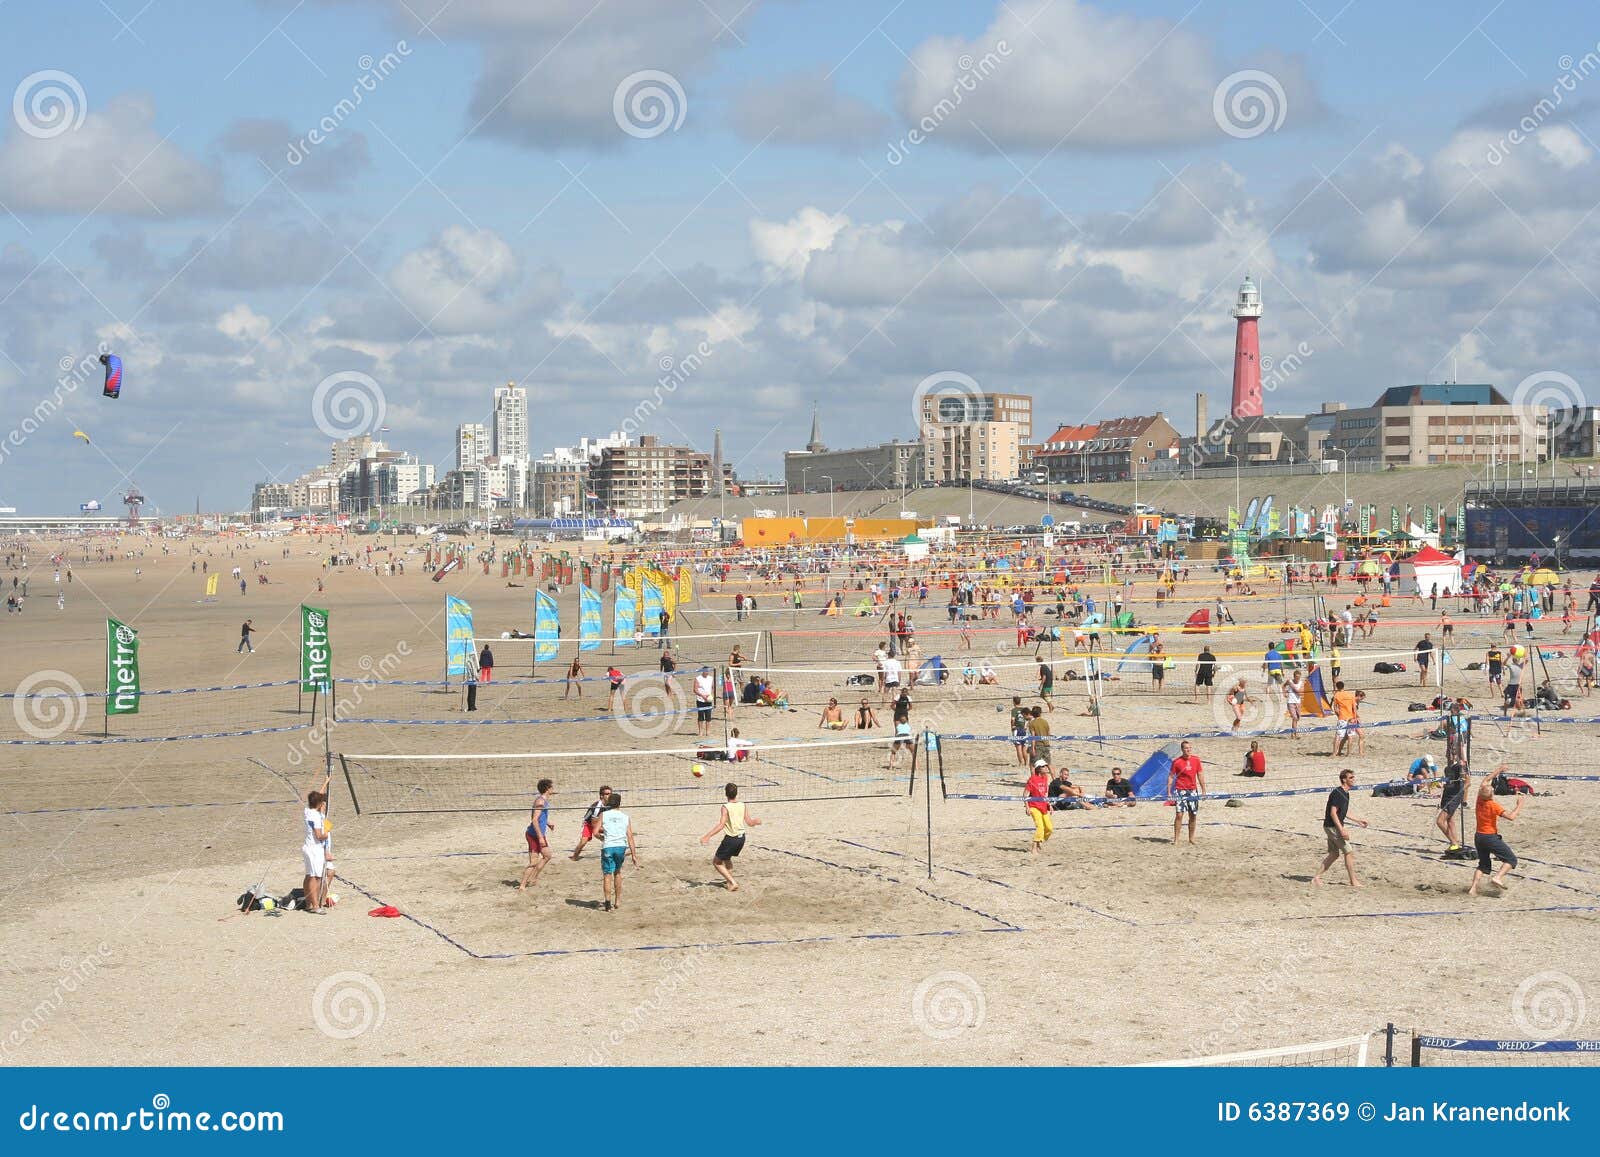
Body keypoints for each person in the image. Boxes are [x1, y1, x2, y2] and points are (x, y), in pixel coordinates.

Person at [1468, 771, 1523, 895]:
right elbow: (1511, 817)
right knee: (1511, 859)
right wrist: (1519, 805)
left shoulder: (1479, 800)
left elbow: (1485, 781)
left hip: (1479, 836)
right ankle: (1498, 877)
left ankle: (1473, 888)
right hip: (1490, 837)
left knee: (1483, 865)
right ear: (1491, 795)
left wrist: (1498, 770)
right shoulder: (1493, 805)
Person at [1312, 769, 1368, 887]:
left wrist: (1358, 821)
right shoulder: (1338, 793)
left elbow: (1344, 812)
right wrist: (1341, 830)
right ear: (1344, 779)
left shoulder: (1346, 793)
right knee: (1348, 852)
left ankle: (1316, 878)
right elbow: (1333, 813)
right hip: (1332, 827)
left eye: (1353, 777)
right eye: (1351, 778)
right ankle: (1353, 881)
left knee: (1334, 854)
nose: (1353, 779)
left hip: (1330, 826)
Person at [701, 782, 761, 891]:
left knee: (717, 862)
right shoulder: (742, 805)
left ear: (726, 794)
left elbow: (721, 825)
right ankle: (729, 881)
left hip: (731, 839)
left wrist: (707, 836)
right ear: (736, 793)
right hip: (742, 838)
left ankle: (732, 882)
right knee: (727, 858)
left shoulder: (725, 807)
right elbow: (750, 823)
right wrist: (755, 822)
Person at [598, 793, 638, 912]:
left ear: (609, 802)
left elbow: (595, 831)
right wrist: (634, 855)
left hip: (608, 847)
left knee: (607, 875)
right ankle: (618, 901)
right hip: (621, 846)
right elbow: (630, 836)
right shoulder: (625, 817)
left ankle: (607, 903)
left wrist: (602, 838)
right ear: (620, 803)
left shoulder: (603, 815)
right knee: (618, 872)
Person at [518, 779, 555, 892]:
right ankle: (522, 885)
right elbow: (534, 820)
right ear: (547, 789)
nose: (553, 789)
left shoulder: (543, 800)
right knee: (534, 861)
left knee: (547, 856)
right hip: (534, 834)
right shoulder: (540, 802)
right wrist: (540, 837)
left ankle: (532, 878)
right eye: (551, 787)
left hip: (537, 833)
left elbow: (538, 817)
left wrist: (548, 823)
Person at [1167, 740, 1205, 845]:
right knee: (1179, 815)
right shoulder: (1176, 762)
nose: (1188, 750)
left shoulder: (1196, 760)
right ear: (1182, 749)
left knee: (1193, 814)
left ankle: (1191, 838)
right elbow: (1170, 776)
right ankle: (1176, 839)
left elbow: (1200, 775)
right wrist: (1169, 792)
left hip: (1192, 790)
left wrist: (1203, 790)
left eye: (1189, 748)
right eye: (1186, 748)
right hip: (1180, 790)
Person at [301, 780, 330, 913]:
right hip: (315, 849)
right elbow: (319, 835)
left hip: (307, 847)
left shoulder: (308, 811)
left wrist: (326, 780)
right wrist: (327, 832)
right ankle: (316, 906)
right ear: (319, 804)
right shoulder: (316, 817)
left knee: (309, 876)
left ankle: (309, 904)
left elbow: (319, 795)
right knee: (315, 877)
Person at [569, 784, 612, 861]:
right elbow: (594, 825)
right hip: (588, 823)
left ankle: (612, 851)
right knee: (583, 841)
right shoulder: (597, 807)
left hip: (599, 822)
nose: (610, 795)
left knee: (610, 836)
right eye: (607, 794)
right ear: (601, 796)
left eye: (610, 793)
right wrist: (605, 831)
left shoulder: (610, 804)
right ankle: (574, 856)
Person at [1025, 758, 1053, 853]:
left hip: (1043, 806)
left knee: (1049, 828)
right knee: (1040, 827)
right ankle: (1034, 847)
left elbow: (1045, 794)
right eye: (1044, 766)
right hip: (1033, 806)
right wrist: (1027, 808)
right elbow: (1025, 795)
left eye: (1046, 766)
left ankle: (1039, 841)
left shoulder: (1045, 778)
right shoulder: (1032, 779)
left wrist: (1050, 805)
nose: (1046, 767)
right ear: (1038, 768)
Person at [1331, 680, 1358, 757]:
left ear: (1337, 687)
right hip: (1351, 718)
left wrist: (1338, 715)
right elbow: (1354, 708)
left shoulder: (1336, 695)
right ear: (1343, 686)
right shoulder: (1350, 695)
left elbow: (1335, 709)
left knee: (1338, 736)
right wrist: (1355, 717)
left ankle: (1334, 753)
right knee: (1350, 736)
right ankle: (1348, 753)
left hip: (1342, 718)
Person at [1010, 696, 1031, 766]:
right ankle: (1026, 763)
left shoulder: (1014, 710)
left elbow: (1012, 720)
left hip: (1017, 730)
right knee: (1024, 747)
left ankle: (1021, 762)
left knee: (1018, 747)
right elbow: (1030, 718)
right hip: (1024, 730)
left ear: (1013, 702)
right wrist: (1026, 726)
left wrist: (1012, 727)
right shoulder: (1023, 709)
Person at [693, 667, 715, 736]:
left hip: (708, 700)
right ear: (702, 671)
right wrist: (702, 695)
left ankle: (707, 732)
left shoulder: (711, 678)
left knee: (708, 716)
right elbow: (695, 690)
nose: (707, 673)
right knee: (700, 716)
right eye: (705, 671)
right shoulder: (698, 678)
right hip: (700, 700)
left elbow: (713, 687)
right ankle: (700, 732)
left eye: (708, 671)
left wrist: (711, 695)